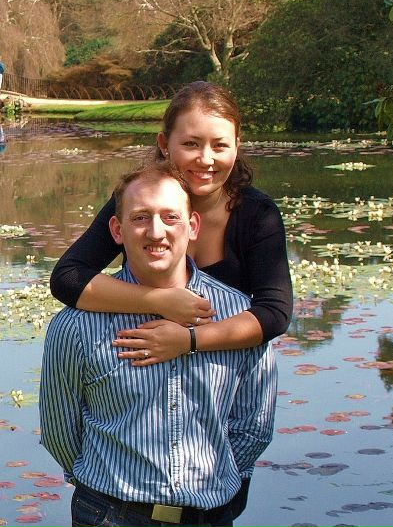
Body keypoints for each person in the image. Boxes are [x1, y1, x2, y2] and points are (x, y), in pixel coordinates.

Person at [40, 162, 277, 527]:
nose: (156, 231)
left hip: (209, 515)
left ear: (193, 226)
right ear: (117, 230)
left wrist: (213, 482)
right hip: (109, 514)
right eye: (140, 217)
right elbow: (60, 432)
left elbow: (253, 425)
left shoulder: (238, 315)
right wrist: (103, 484)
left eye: (171, 217)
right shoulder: (75, 326)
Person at [50, 80, 293, 361]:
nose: (206, 159)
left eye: (220, 146)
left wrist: (189, 340)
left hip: (222, 367)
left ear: (236, 147)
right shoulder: (137, 202)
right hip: (138, 362)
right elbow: (67, 277)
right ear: (164, 144)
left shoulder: (258, 214)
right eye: (191, 144)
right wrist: (158, 300)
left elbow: (274, 312)